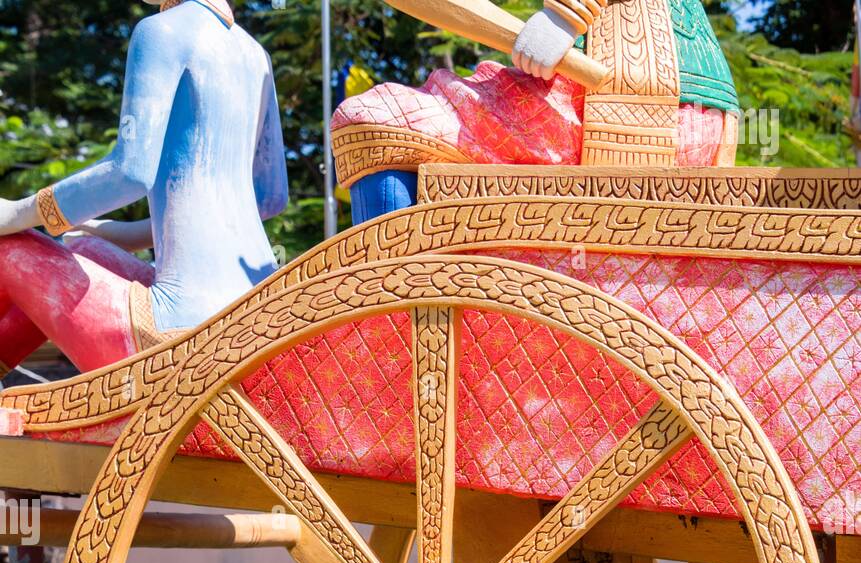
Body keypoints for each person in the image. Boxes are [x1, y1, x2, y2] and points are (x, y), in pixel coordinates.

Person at [0, 0, 287, 376]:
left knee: (9, 249)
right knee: (88, 248)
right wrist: (97, 228)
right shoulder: (255, 55)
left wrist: (17, 212)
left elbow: (130, 174)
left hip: (177, 333)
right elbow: (270, 198)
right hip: (252, 326)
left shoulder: (162, 31)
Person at [333, 0, 740, 223]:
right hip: (704, 111)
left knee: (369, 122)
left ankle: (388, 338)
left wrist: (564, 17)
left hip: (631, 91)